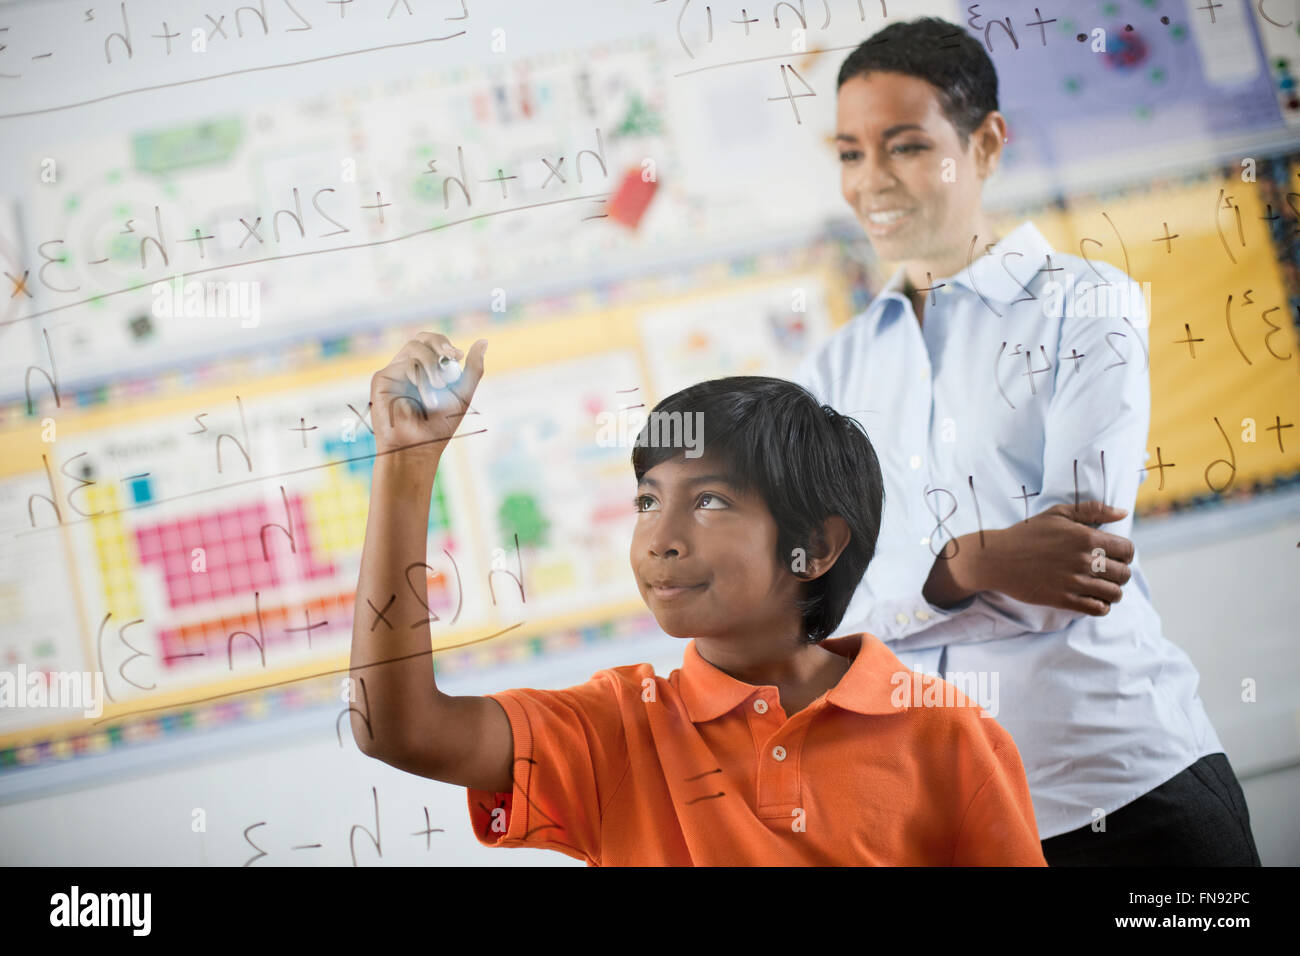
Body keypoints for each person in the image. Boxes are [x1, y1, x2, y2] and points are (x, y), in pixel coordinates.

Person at [793, 16, 1260, 865]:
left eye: (904, 146)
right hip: (959, 826)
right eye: (850, 154)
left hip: (1130, 786)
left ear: (987, 143)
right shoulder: (832, 372)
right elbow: (813, 608)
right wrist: (965, 565)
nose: (871, 182)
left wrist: (901, 582)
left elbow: (1075, 569)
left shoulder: (1086, 303)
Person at [349, 332, 1046, 865]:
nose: (659, 538)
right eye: (648, 501)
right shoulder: (616, 730)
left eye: (709, 500)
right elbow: (398, 728)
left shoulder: (950, 738)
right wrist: (406, 470)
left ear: (817, 545)